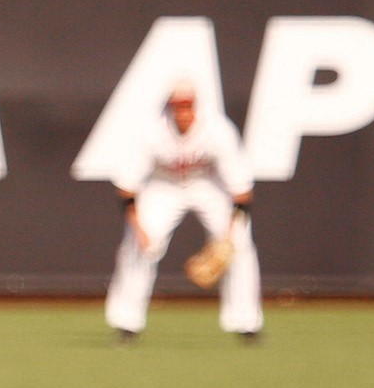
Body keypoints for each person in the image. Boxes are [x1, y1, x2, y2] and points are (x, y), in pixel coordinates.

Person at [104, 80, 263, 343]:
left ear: (196, 106)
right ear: (170, 107)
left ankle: (246, 322)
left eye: (188, 105)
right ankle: (126, 322)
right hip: (163, 186)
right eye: (178, 105)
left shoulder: (217, 131)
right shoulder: (152, 132)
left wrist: (231, 232)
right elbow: (127, 186)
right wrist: (139, 229)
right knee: (139, 245)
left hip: (207, 184)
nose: (183, 111)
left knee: (240, 245)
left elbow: (242, 189)